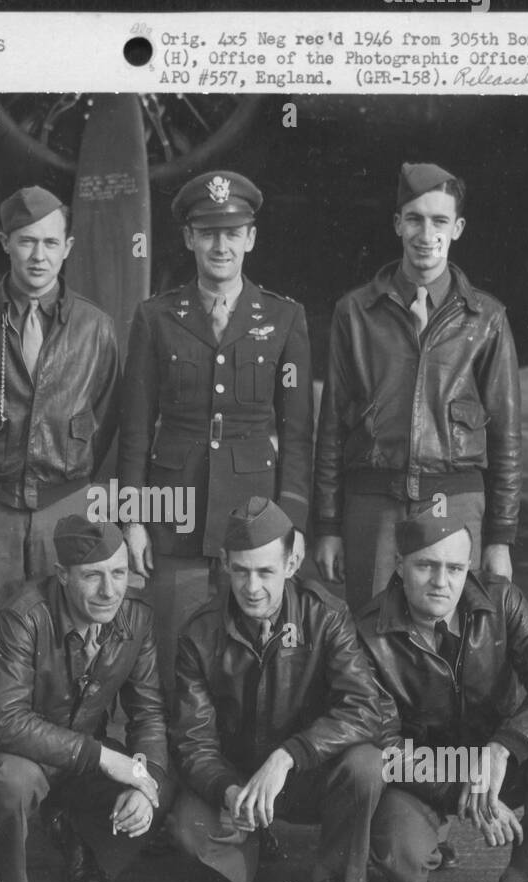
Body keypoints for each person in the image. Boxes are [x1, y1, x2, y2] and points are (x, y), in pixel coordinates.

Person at [355, 510, 528, 882]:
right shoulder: (368, 634)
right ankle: (433, 831)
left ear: (470, 568)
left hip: (496, 761)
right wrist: (469, 789)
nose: (441, 581)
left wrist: (502, 748)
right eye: (425, 565)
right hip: (422, 776)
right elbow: (389, 749)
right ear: (399, 563)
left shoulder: (502, 601)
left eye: (455, 568)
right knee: (404, 867)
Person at [117, 171, 313, 690]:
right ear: (189, 239)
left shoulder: (284, 318)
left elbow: (297, 437)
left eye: (233, 233)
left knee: (247, 657)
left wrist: (291, 524)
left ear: (251, 238)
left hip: (253, 519)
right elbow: (135, 427)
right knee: (171, 650)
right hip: (172, 512)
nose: (220, 245)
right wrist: (133, 519)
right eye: (208, 233)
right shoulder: (156, 317)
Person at [169, 497, 392, 882]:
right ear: (225, 565)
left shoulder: (326, 615)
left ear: (292, 563)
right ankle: (247, 848)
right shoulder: (199, 633)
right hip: (239, 781)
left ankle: (329, 881)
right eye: (242, 571)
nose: (253, 587)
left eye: (266, 572)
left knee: (367, 765)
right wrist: (228, 791)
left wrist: (289, 756)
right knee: (185, 827)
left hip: (307, 773)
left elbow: (367, 707)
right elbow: (193, 741)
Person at [313, 162, 521, 610]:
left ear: (458, 228)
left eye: (440, 221)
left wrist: (501, 536)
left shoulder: (485, 318)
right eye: (414, 219)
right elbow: (331, 425)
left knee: (445, 641)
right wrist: (328, 525)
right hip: (374, 505)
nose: (426, 235)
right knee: (371, 637)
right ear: (397, 224)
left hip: (455, 502)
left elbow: (506, 434)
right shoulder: (355, 313)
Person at [0, 185, 120, 670]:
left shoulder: (96, 329)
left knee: (65, 635)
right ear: (4, 243)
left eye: (49, 243)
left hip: (66, 505)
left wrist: (80, 485)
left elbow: (108, 422)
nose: (38, 256)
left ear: (68, 247)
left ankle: (60, 739)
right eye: (25, 241)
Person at [0, 516, 171, 882]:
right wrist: (102, 757)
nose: (109, 590)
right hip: (20, 752)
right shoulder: (23, 615)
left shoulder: (137, 618)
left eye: (119, 573)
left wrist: (145, 785)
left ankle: (79, 836)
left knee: (162, 779)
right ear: (62, 574)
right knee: (12, 782)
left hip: (82, 756)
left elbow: (148, 715)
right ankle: (4, 879)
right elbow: (5, 721)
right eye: (92, 576)